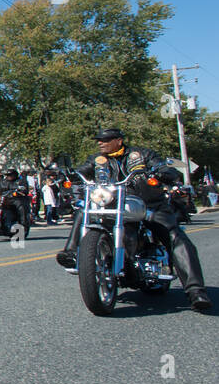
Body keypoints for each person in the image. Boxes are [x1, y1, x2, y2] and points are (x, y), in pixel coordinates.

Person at [56, 127, 209, 311]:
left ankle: (195, 291)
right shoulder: (97, 161)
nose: (100, 143)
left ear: (119, 141)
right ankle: (72, 253)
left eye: (105, 139)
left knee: (175, 237)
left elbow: (164, 168)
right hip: (113, 205)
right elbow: (82, 171)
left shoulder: (143, 155)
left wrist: (163, 172)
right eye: (99, 140)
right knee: (82, 211)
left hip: (149, 204)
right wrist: (69, 175)